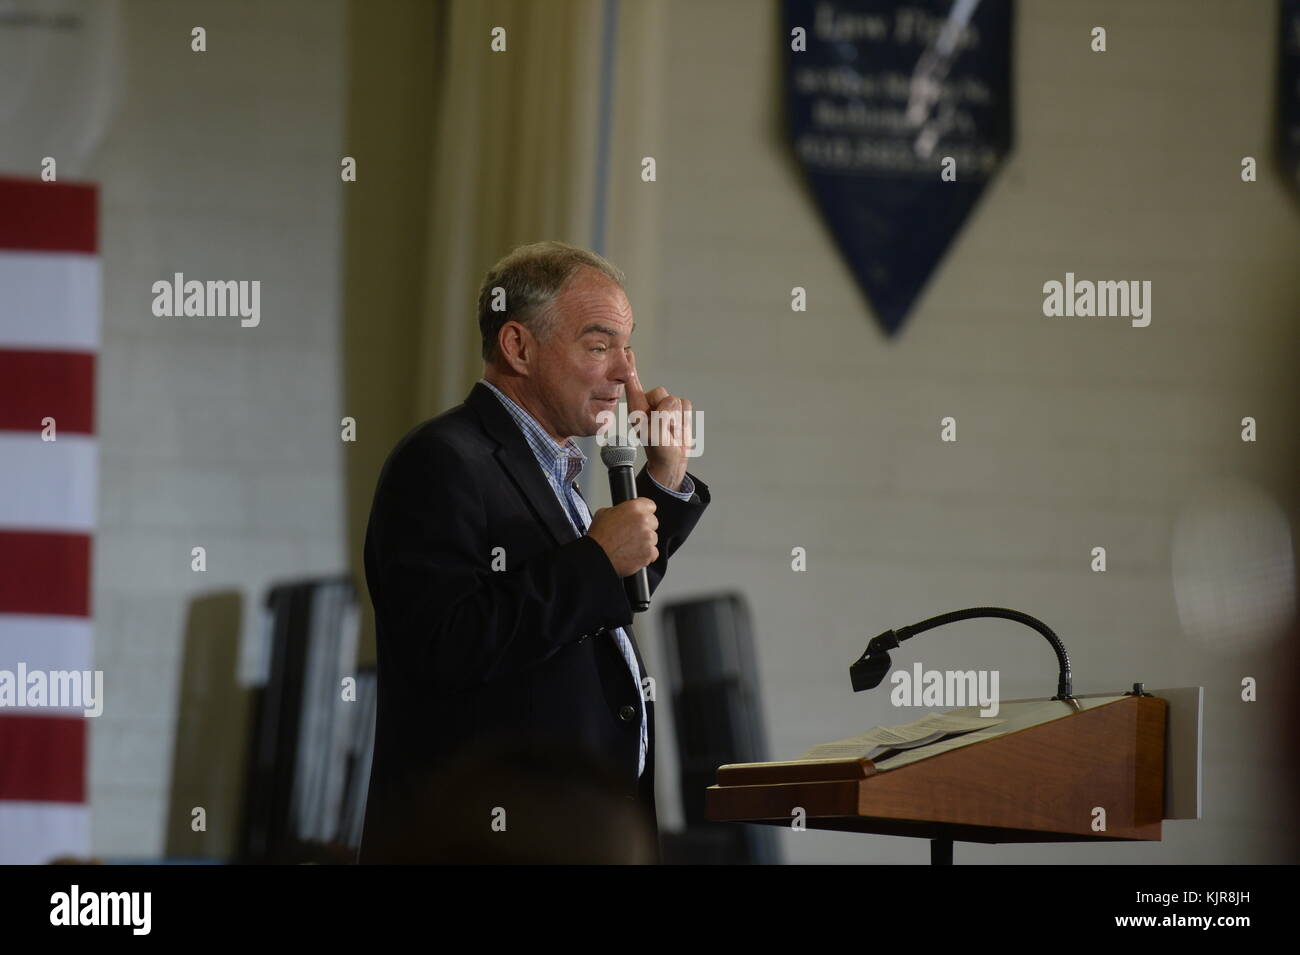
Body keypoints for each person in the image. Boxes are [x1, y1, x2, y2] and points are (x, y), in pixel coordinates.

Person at [357, 241, 709, 863]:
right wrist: (597, 559)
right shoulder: (442, 461)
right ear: (518, 347)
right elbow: (447, 643)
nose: (626, 376)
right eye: (599, 347)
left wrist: (666, 479)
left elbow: (597, 600)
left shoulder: (553, 469)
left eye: (627, 350)